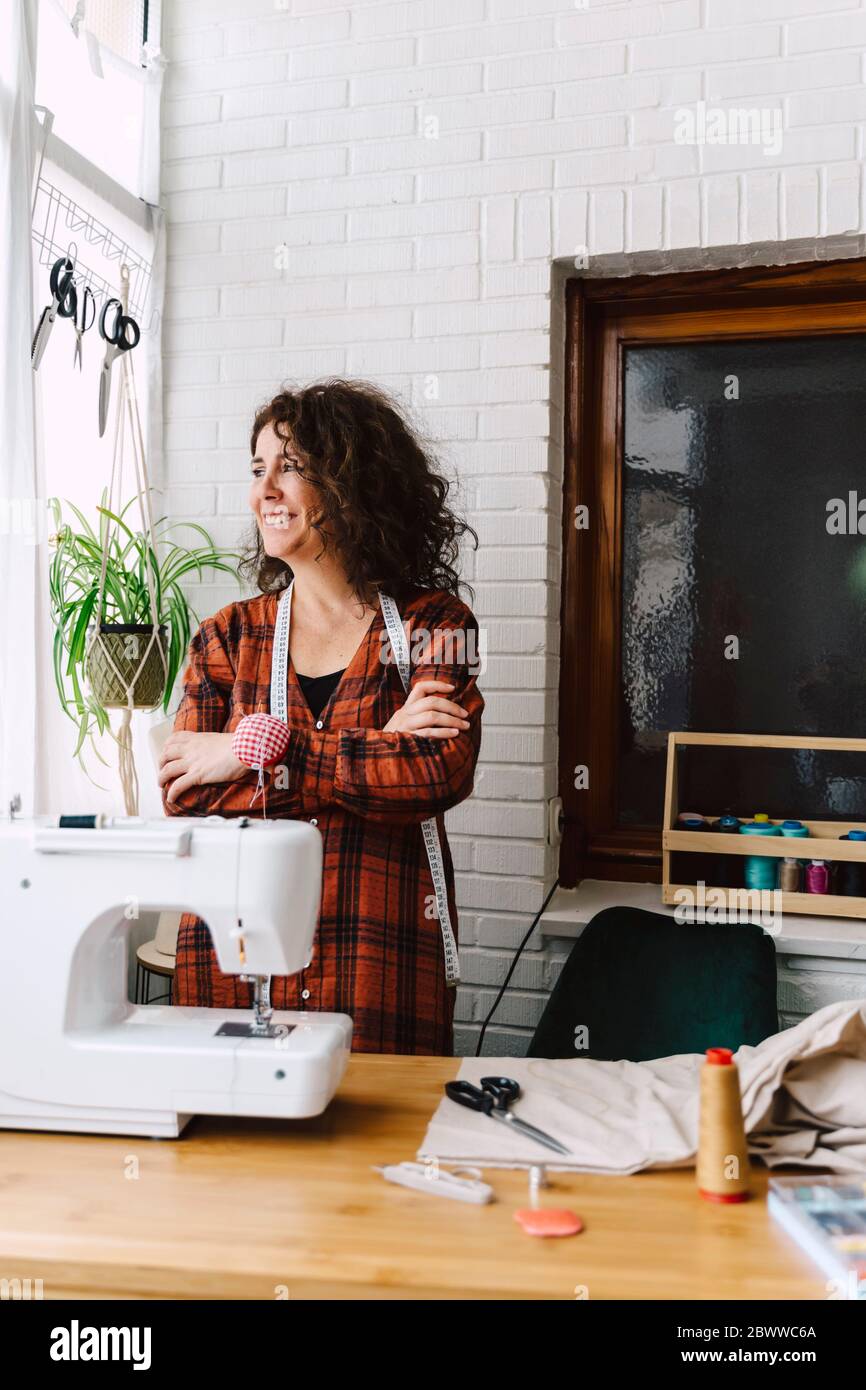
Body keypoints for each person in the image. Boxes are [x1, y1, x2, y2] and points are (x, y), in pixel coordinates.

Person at [158, 379, 484, 1054]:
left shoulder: (437, 626)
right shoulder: (226, 637)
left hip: (380, 970)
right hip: (235, 971)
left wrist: (252, 750)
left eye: (292, 467)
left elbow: (436, 773)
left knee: (378, 1153)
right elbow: (186, 794)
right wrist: (375, 747)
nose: (264, 492)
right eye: (257, 470)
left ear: (355, 483)